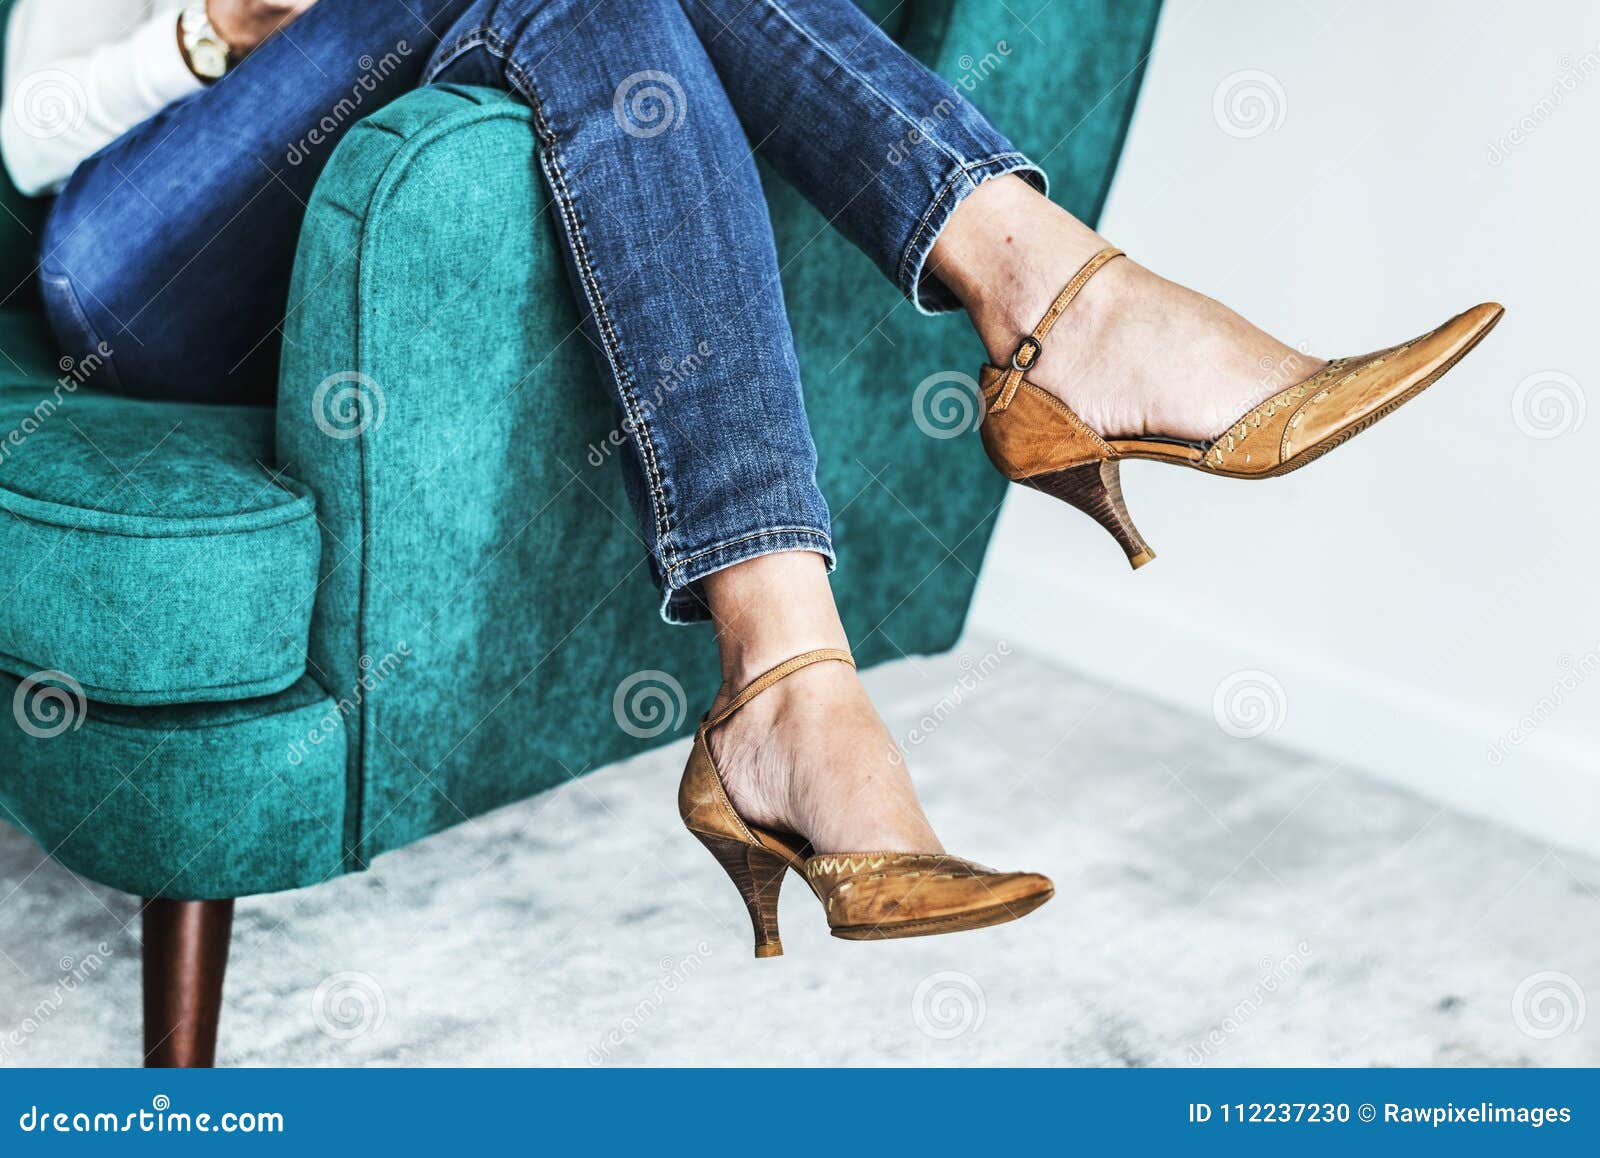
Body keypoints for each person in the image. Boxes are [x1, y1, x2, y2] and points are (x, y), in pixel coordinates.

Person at [1, 0, 1500, 954]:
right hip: (132, 253)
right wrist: (203, 32)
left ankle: (789, 667)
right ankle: (1060, 305)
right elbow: (18, 130)